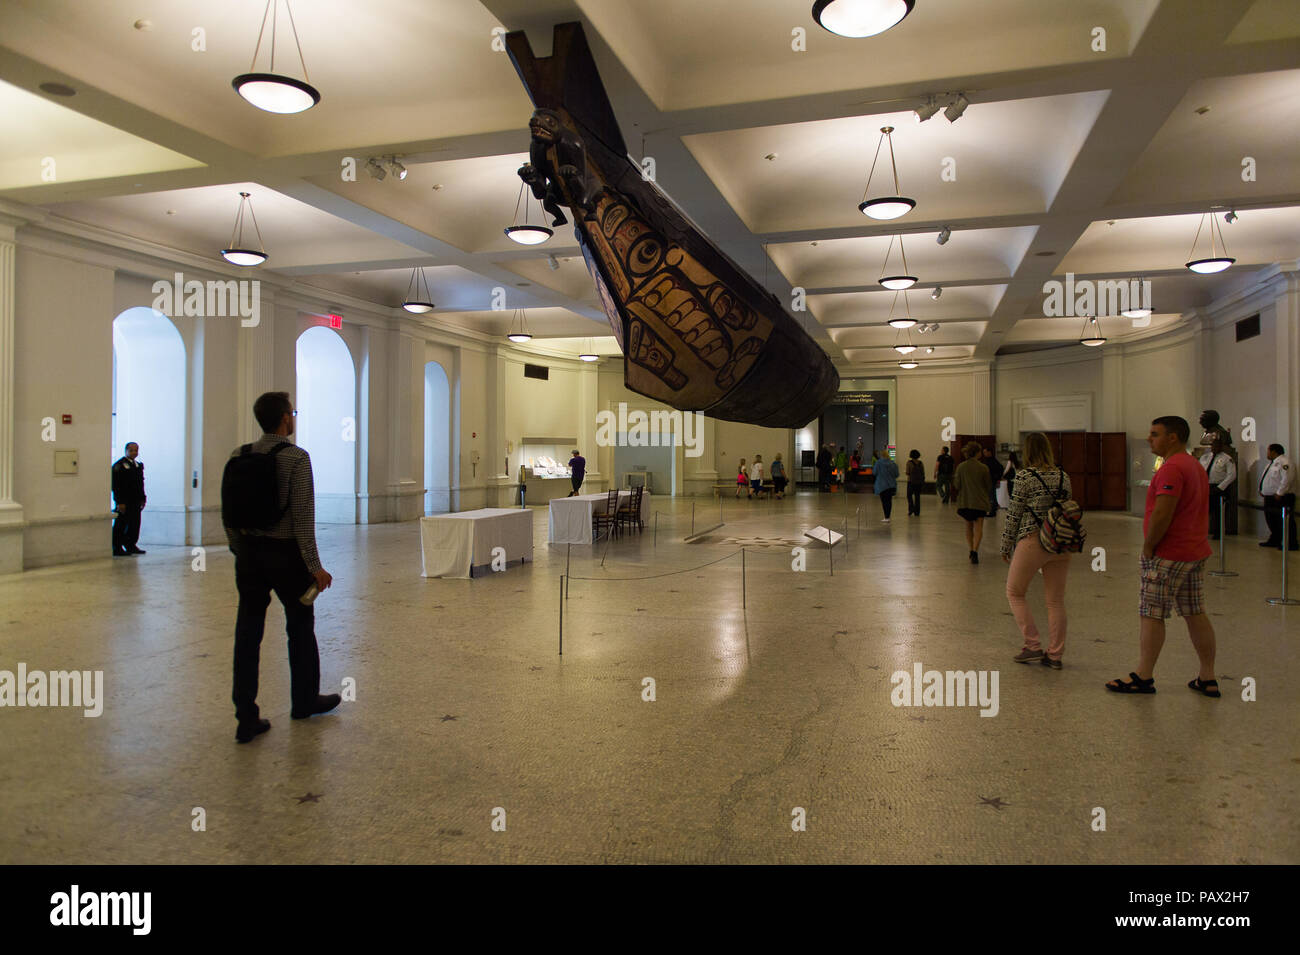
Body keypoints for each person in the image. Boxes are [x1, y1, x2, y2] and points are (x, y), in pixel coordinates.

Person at [224, 391, 341, 744]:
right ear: (284, 419)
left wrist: (239, 549)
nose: (294, 418)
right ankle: (304, 700)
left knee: (248, 634)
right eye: (292, 413)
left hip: (249, 555)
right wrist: (315, 567)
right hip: (286, 557)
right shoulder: (295, 458)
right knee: (300, 628)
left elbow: (228, 512)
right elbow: (303, 519)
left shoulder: (239, 455)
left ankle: (246, 716)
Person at [1106, 416, 1218, 697]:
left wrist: (1149, 546)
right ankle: (1208, 676)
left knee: (1151, 614)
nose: (1149, 438)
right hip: (1194, 551)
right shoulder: (1194, 465)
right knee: (1195, 612)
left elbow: (1163, 512)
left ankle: (1144, 675)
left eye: (1155, 434)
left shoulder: (1172, 469)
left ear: (1173, 438)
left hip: (1169, 553)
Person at [1002, 433, 1072, 668]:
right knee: (1055, 601)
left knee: (1015, 592)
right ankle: (1055, 655)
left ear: (1027, 451)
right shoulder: (1064, 476)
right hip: (1060, 543)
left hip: (1032, 540)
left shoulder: (1024, 477)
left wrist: (1006, 544)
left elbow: (1014, 513)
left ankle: (1032, 645)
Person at [952, 441, 992, 564]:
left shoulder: (961, 467)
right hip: (980, 502)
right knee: (979, 527)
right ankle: (975, 550)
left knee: (968, 526)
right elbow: (988, 485)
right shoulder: (983, 468)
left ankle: (970, 548)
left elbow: (957, 485)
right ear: (977, 453)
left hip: (965, 502)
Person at [1259, 442, 1297, 550]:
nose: (1267, 453)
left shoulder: (1285, 462)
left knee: (1285, 521)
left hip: (1282, 497)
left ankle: (1291, 543)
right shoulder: (1271, 463)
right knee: (1272, 521)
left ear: (1274, 451)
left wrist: (1280, 493)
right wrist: (1262, 490)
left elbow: (1287, 479)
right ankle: (1275, 539)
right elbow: (1268, 479)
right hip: (1270, 497)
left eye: (1268, 451)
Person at [111, 442, 146, 556]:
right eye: (131, 450)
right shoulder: (119, 466)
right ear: (126, 450)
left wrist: (143, 498)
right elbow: (116, 485)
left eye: (136, 450)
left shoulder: (137, 465)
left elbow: (140, 484)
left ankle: (130, 544)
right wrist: (119, 501)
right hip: (124, 501)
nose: (134, 453)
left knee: (134, 524)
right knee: (121, 524)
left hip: (135, 500)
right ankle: (117, 547)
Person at [1199, 436, 1236, 541]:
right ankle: (1202, 532)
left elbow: (1232, 475)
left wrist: (1220, 488)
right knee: (1204, 511)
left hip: (1219, 487)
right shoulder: (1205, 457)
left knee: (1219, 512)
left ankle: (1218, 533)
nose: (1214, 447)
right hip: (1206, 486)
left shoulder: (1227, 458)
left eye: (1217, 445)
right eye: (1213, 445)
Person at [874, 449, 899, 522]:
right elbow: (897, 474)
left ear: (882, 455)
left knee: (884, 501)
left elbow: (874, 472)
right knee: (889, 501)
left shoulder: (878, 463)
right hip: (891, 485)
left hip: (882, 485)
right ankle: (888, 516)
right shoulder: (893, 463)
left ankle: (886, 516)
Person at [982, 446, 1003, 517]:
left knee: (992, 496)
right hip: (989, 481)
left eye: (985, 452)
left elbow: (1000, 469)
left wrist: (996, 478)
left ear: (989, 452)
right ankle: (992, 510)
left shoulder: (993, 461)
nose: (984, 453)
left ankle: (992, 511)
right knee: (991, 496)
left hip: (991, 481)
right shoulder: (987, 461)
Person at [905, 449, 925, 517]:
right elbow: (923, 473)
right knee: (917, 497)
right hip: (919, 482)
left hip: (911, 482)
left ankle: (911, 509)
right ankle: (917, 511)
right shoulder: (920, 463)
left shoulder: (909, 463)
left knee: (909, 496)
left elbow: (907, 472)